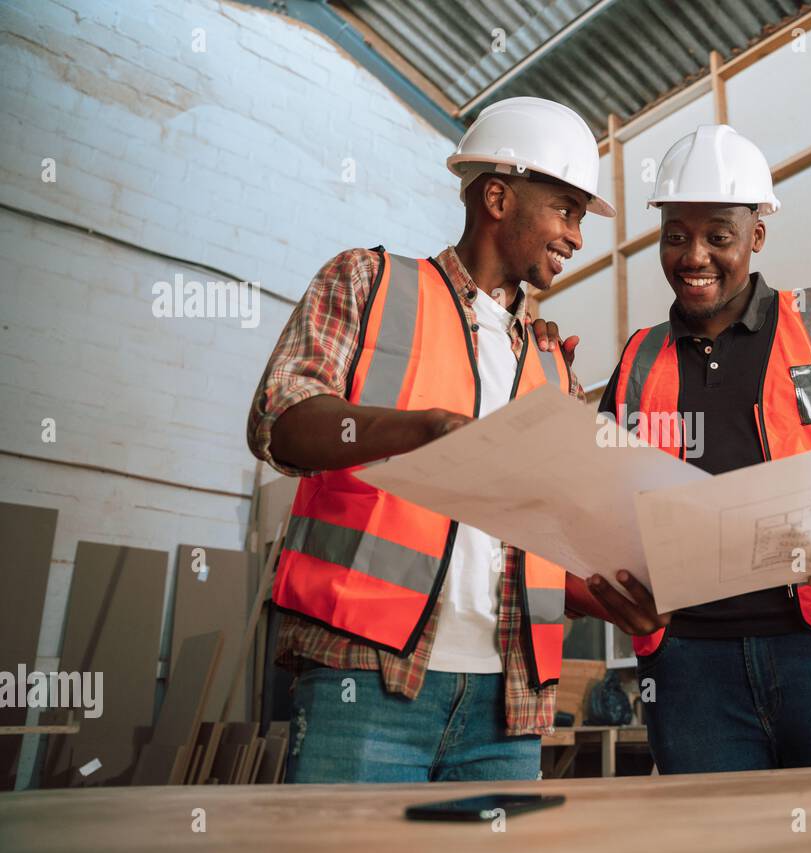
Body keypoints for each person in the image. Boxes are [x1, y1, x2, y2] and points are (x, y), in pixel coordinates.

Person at [246, 97, 614, 783]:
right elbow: (279, 418)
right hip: (366, 680)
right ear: (498, 197)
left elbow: (544, 539)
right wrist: (422, 430)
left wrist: (616, 588)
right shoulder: (369, 282)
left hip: (508, 703)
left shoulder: (553, 363)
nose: (577, 237)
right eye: (566, 210)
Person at [579, 125, 811, 773]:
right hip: (690, 666)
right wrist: (615, 593)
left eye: (718, 235)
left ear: (755, 236)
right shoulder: (638, 358)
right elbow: (601, 514)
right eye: (676, 234)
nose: (694, 256)